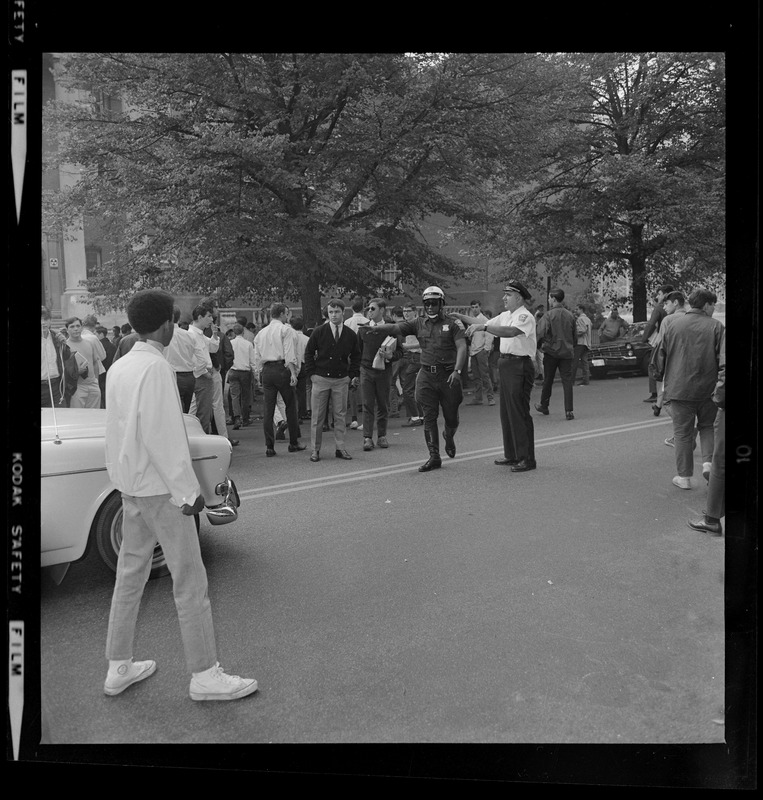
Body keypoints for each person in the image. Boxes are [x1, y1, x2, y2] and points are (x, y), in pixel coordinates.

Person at [102, 288, 257, 702]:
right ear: (168, 323)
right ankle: (205, 674)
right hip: (161, 491)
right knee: (190, 582)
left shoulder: (121, 365)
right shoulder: (155, 369)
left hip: (131, 488)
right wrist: (189, 492)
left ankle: (118, 664)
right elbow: (164, 437)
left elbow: (118, 428)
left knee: (129, 576)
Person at [372, 287, 467, 472]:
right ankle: (434, 456)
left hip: (449, 375)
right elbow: (395, 327)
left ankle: (449, 434)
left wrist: (457, 370)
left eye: (434, 303)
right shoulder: (418, 323)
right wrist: (375, 328)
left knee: (451, 417)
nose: (430, 307)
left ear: (441, 304)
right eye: (427, 303)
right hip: (427, 375)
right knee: (429, 416)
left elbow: (462, 347)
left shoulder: (453, 323)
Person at [652, 288, 724, 490]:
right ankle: (708, 463)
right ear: (706, 305)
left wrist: (659, 377)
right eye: (713, 305)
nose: (714, 309)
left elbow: (660, 355)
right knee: (708, 426)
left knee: (682, 433)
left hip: (679, 387)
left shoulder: (674, 325)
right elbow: (723, 361)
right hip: (708, 388)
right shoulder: (717, 327)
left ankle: (684, 477)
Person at [467, 281, 537, 472]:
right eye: (504, 294)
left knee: (519, 411)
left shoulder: (523, 316)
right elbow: (483, 324)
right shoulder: (506, 315)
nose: (504, 298)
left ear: (519, 297)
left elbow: (510, 332)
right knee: (506, 412)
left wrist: (484, 329)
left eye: (508, 295)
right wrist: (459, 317)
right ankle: (512, 454)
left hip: (519, 364)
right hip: (506, 364)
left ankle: (527, 458)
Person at [304, 299, 361, 462]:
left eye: (337, 312)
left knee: (340, 415)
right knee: (317, 416)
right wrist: (312, 374)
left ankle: (340, 448)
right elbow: (308, 353)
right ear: (327, 314)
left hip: (341, 379)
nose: (334, 315)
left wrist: (352, 374)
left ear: (343, 312)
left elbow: (356, 355)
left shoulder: (350, 334)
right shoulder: (319, 332)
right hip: (320, 378)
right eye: (331, 312)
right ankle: (315, 450)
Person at [253, 302, 306, 457]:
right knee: (290, 405)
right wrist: (293, 373)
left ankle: (269, 446)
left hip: (267, 370)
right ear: (283, 313)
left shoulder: (260, 333)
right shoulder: (286, 330)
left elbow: (257, 357)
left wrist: (259, 374)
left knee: (268, 409)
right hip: (282, 368)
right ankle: (293, 442)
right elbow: (289, 353)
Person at [688, 329, 725, 535]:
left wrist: (719, 398)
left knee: (722, 462)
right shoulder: (715, 327)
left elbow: (726, 369)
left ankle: (712, 518)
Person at [355, 298, 403, 452]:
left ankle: (381, 435)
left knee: (382, 403)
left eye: (373, 308)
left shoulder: (391, 328)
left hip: (384, 370)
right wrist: (356, 373)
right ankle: (367, 437)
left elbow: (400, 351)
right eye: (368, 309)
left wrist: (390, 356)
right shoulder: (363, 329)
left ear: (382, 310)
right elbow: (357, 352)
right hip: (366, 369)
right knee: (367, 403)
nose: (369, 311)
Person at [534, 288, 576, 420]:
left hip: (551, 352)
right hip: (567, 352)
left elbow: (540, 332)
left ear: (553, 299)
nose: (548, 300)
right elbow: (574, 336)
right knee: (567, 382)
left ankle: (544, 405)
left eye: (549, 298)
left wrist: (539, 346)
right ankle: (569, 410)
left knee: (548, 380)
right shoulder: (570, 315)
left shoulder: (548, 315)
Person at [449, 300, 495, 406]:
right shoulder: (472, 321)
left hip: (481, 351)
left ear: (480, 307)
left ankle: (490, 397)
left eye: (476, 307)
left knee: (484, 375)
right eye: (472, 307)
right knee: (476, 376)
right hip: (474, 351)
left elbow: (489, 334)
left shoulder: (484, 320)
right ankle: (478, 398)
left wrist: (486, 349)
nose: (474, 309)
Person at [649, 291, 687, 418]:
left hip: (673, 363)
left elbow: (661, 345)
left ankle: (683, 428)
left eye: (666, 304)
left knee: (668, 398)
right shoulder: (692, 317)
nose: (664, 307)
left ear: (675, 303)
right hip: (691, 364)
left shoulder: (668, 320)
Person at [164, 305, 208, 413]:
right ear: (178, 318)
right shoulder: (190, 336)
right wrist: (195, 372)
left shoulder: (163, 336)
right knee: (186, 413)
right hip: (189, 377)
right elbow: (203, 360)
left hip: (172, 376)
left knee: (173, 412)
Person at [641, 284, 674, 402]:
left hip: (660, 341)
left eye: (659, 294)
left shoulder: (659, 309)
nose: (658, 297)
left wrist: (644, 338)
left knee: (654, 365)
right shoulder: (677, 309)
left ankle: (655, 393)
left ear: (665, 294)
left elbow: (651, 325)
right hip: (674, 341)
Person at [41, 306, 78, 407]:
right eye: (40, 319)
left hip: (56, 386)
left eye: (45, 319)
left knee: (61, 416)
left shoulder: (55, 336)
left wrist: (64, 344)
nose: (43, 322)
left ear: (50, 321)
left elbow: (66, 357)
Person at [187, 304, 217, 434]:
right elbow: (198, 360)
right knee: (203, 413)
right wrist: (206, 373)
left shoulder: (199, 334)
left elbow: (213, 348)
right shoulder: (192, 335)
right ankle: (202, 439)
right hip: (201, 376)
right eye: (209, 316)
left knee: (201, 411)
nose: (211, 320)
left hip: (202, 375)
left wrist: (215, 335)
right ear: (199, 317)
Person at [63, 316, 103, 408]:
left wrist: (96, 381)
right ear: (67, 329)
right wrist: (76, 371)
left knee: (94, 417)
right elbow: (63, 370)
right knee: (78, 418)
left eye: (78, 326)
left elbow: (95, 363)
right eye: (72, 327)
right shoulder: (65, 347)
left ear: (82, 327)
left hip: (93, 385)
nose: (76, 329)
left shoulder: (90, 343)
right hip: (77, 388)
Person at [398, 303, 424, 426]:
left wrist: (407, 346)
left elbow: (422, 343)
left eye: (408, 311)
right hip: (411, 357)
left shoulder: (417, 324)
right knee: (415, 389)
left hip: (417, 357)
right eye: (404, 311)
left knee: (407, 389)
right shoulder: (407, 325)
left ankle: (415, 417)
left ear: (415, 312)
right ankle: (421, 415)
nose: (406, 313)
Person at [344, 297, 368, 430]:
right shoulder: (367, 322)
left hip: (351, 356)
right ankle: (365, 418)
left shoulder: (347, 322)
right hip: (364, 355)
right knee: (365, 387)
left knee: (352, 387)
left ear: (351, 308)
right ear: (364, 308)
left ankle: (354, 418)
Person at [227, 323, 257, 429]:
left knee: (234, 396)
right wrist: (255, 373)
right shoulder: (248, 344)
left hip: (233, 371)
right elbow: (252, 360)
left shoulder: (230, 343)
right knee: (245, 396)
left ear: (234, 332)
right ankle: (245, 418)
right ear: (243, 332)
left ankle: (236, 417)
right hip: (245, 372)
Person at [290, 316, 311, 422]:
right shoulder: (307, 339)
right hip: (303, 364)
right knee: (302, 390)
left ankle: (293, 412)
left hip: (292, 364)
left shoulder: (290, 338)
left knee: (291, 390)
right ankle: (302, 411)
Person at [571, 304, 592, 386]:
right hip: (587, 343)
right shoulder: (587, 319)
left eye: (577, 309)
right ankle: (586, 380)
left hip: (580, 343)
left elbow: (582, 330)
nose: (576, 311)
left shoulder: (580, 319)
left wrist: (574, 334)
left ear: (581, 310)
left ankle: (571, 381)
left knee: (574, 362)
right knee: (584, 362)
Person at [95, 325, 116, 407]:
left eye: (96, 334)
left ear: (101, 334)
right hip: (111, 374)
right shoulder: (113, 346)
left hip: (102, 375)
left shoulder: (100, 346)